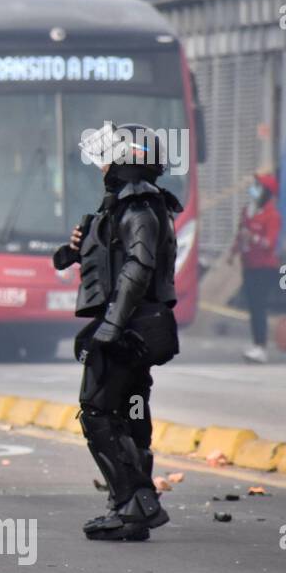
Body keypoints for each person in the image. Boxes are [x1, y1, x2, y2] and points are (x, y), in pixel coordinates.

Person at [55, 123, 181, 542]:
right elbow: (110, 262)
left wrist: (110, 327)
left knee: (97, 411)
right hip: (135, 324)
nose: (103, 164)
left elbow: (137, 270)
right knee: (130, 412)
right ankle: (130, 505)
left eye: (110, 156)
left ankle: (135, 503)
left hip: (131, 327)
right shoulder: (127, 208)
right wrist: (76, 245)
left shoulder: (140, 210)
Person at [234, 173, 281, 363]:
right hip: (249, 265)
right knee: (252, 306)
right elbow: (240, 233)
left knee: (259, 306)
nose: (253, 190)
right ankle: (256, 344)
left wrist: (252, 237)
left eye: (258, 187)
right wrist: (233, 252)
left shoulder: (272, 216)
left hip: (264, 267)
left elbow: (269, 243)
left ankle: (261, 346)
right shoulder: (248, 211)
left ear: (266, 193)